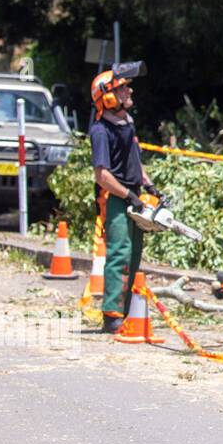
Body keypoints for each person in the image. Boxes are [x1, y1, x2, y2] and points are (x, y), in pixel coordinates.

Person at [88, 62, 154, 333]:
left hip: (133, 194)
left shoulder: (126, 124)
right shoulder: (101, 131)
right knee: (120, 254)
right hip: (114, 198)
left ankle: (128, 313)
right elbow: (102, 175)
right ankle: (111, 314)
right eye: (123, 88)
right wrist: (127, 194)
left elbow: (134, 159)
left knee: (135, 253)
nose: (130, 91)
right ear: (109, 96)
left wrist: (148, 186)